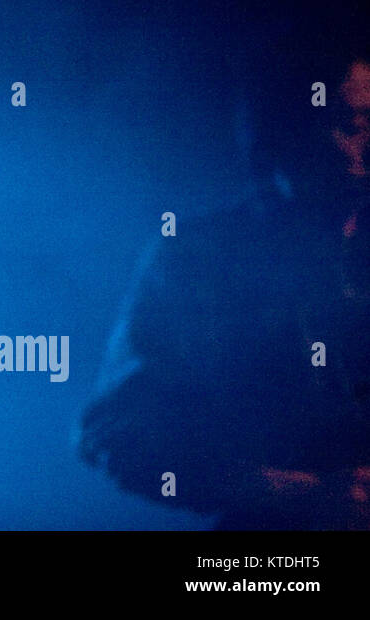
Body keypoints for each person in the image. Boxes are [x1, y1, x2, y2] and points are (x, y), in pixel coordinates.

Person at [78, 34, 370, 528]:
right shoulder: (198, 258)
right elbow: (119, 436)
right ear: (284, 136)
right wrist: (302, 493)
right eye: (350, 124)